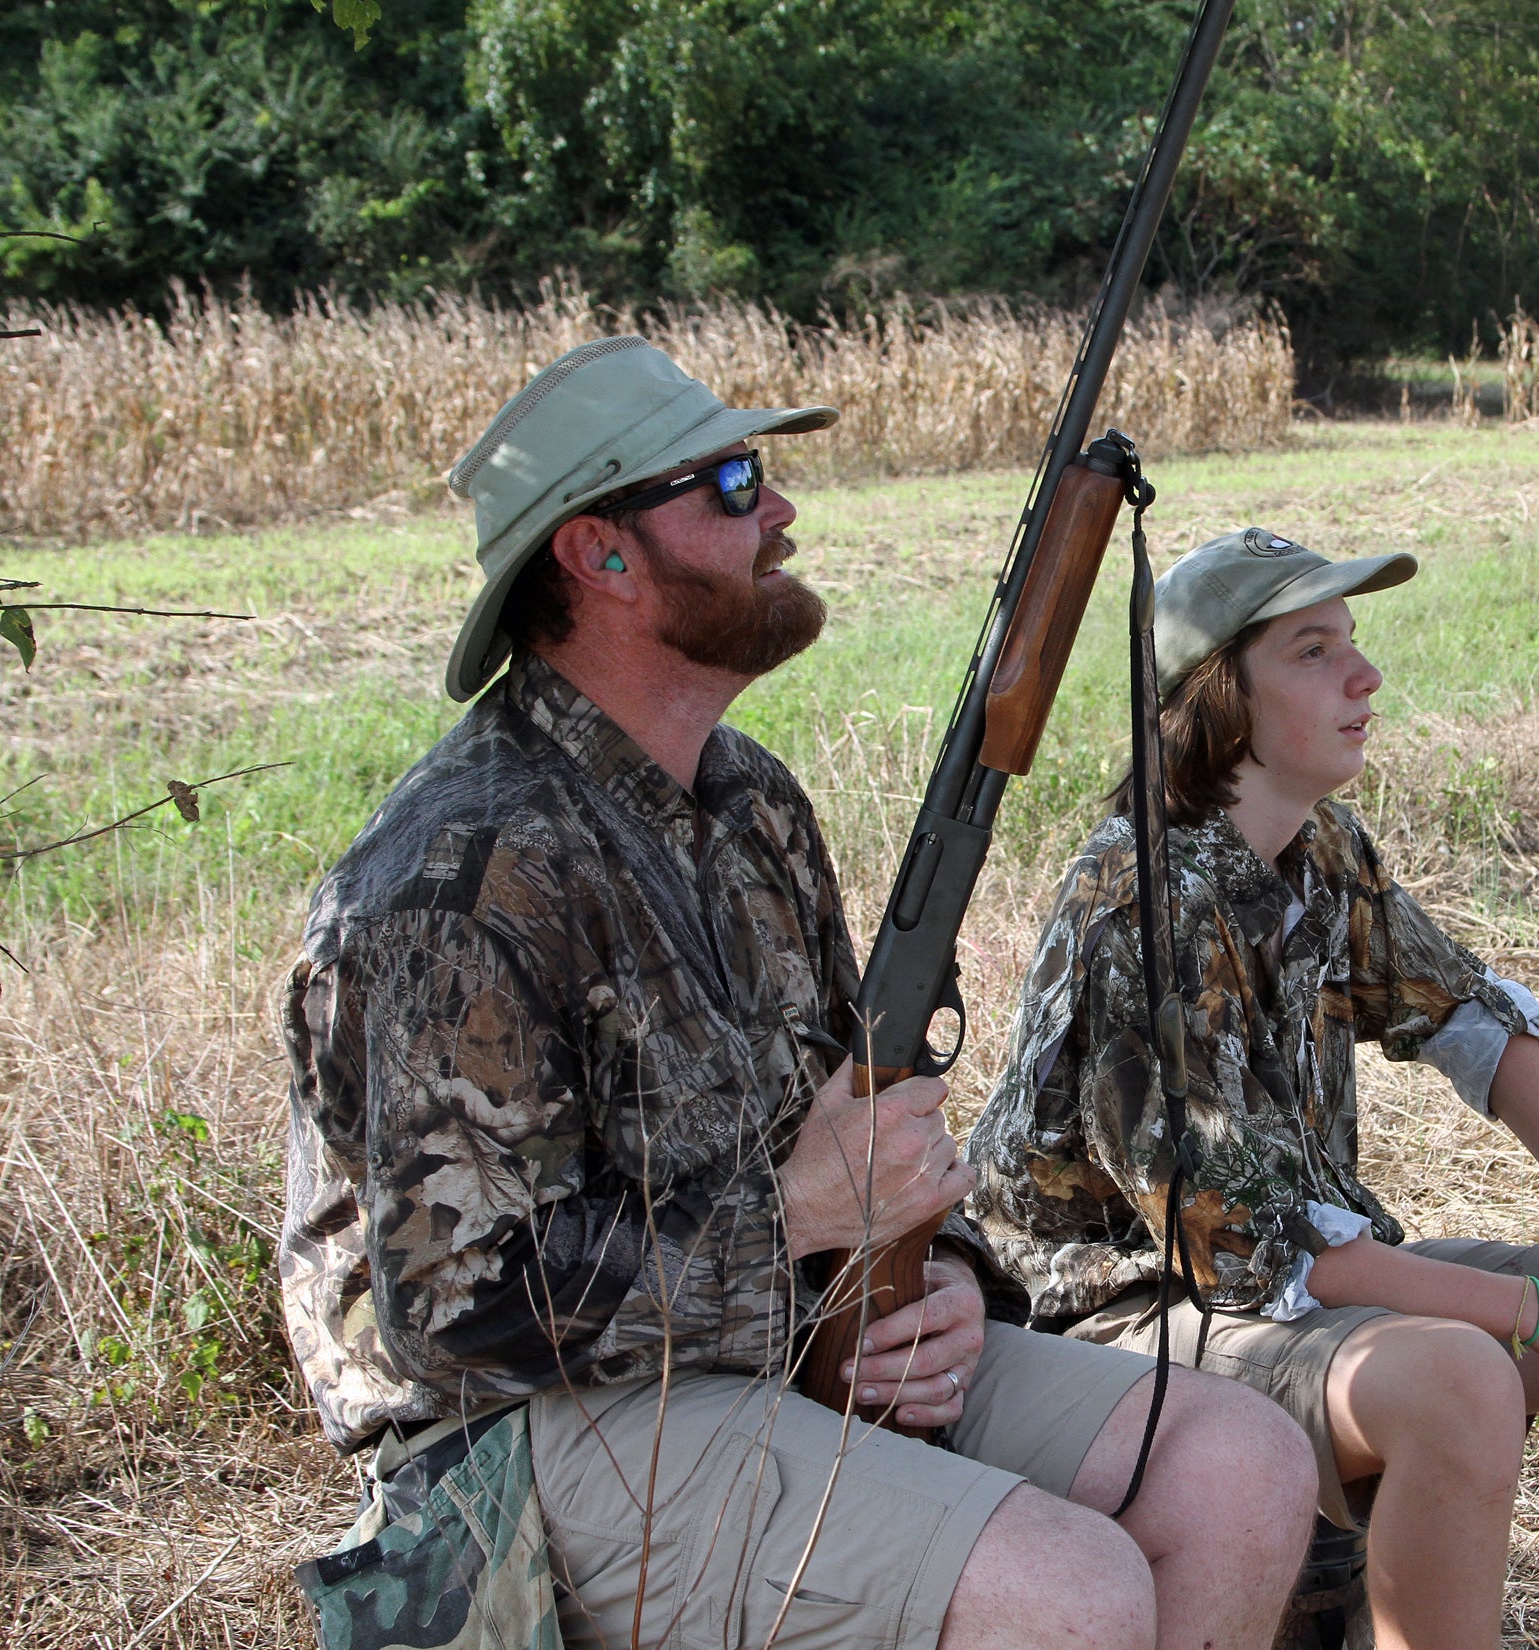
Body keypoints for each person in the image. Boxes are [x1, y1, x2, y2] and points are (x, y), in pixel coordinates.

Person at [277, 341, 1314, 1650]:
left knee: (1240, 1468)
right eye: (728, 481)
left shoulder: (748, 799)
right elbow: (451, 1316)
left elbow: (841, 1122)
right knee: (1067, 1590)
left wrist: (930, 1286)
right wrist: (782, 1226)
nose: (779, 512)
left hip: (762, 1343)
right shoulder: (463, 871)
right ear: (600, 556)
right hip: (516, 1449)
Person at [969, 528, 1539, 1650]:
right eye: (1312, 649)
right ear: (1218, 700)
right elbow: (1268, 1252)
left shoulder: (1320, 845)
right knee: (1458, 1385)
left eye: (1353, 641)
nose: (1364, 674)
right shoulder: (1147, 905)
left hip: (1271, 1288)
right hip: (1115, 1314)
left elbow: (1470, 1016)